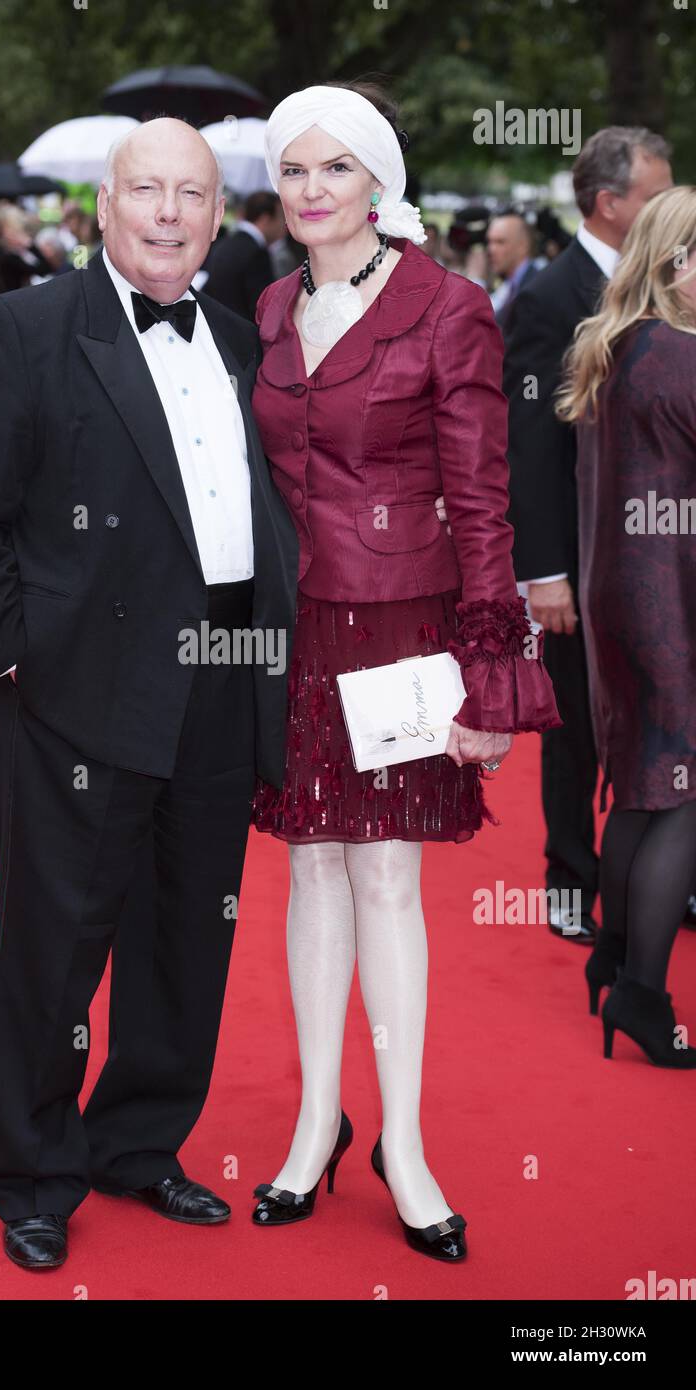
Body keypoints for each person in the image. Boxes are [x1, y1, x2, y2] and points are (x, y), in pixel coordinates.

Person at [0, 116, 299, 1270]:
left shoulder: (239, 340)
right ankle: (36, 1171)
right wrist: (24, 661)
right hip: (80, 695)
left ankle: (140, 1144)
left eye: (193, 195)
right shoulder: (29, 330)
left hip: (224, 684)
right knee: (57, 939)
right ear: (104, 205)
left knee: (190, 933)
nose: (172, 215)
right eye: (148, 191)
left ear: (217, 214)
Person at [248, 80, 561, 1259]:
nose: (313, 190)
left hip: (400, 622)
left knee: (384, 878)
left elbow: (484, 500)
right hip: (293, 625)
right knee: (308, 871)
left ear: (379, 180)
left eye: (336, 168)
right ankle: (312, 1125)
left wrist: (491, 669)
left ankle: (406, 1144)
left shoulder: (449, 306)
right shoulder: (269, 307)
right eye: (294, 170)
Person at [504, 128, 673, 943]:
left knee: (664, 722)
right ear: (611, 205)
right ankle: (569, 881)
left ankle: (662, 879)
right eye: (656, 196)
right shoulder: (546, 300)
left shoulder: (672, 288)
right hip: (583, 558)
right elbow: (531, 447)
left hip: (666, 560)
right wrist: (543, 573)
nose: (672, 213)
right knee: (575, 729)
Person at [554, 184, 696, 1068]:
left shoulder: (615, 345)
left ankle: (613, 953)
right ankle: (643, 992)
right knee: (685, 787)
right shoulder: (680, 356)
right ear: (678, 262)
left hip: (621, 593)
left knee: (645, 778)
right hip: (672, 600)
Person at [199, 191, 286, 318]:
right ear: (265, 219)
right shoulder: (256, 253)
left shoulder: (223, 243)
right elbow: (262, 307)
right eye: (281, 218)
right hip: (241, 331)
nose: (284, 225)